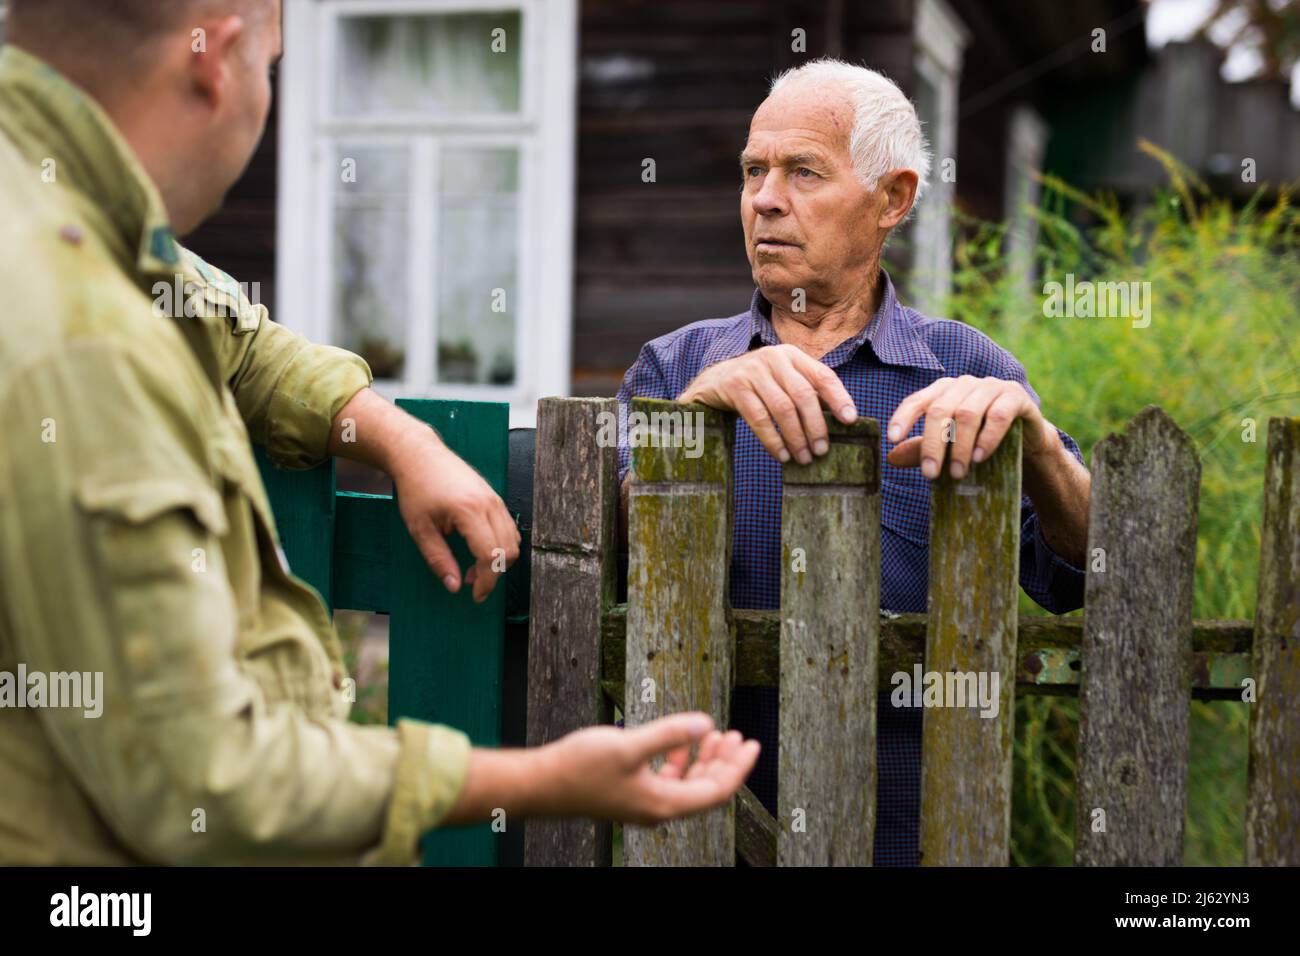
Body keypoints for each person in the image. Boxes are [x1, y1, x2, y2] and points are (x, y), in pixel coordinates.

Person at [0, 0, 759, 865]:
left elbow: (238, 341)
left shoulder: (65, 216)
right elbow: (206, 781)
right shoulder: (81, 338)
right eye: (276, 68)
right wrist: (540, 781)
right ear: (221, 60)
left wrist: (405, 441)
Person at [616, 59, 1092, 865]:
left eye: (803, 171)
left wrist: (1039, 446)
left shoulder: (967, 369)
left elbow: (1079, 572)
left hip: (907, 836)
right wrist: (696, 416)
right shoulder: (675, 368)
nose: (765, 198)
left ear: (893, 200)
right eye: (753, 171)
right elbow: (609, 562)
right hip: (698, 831)